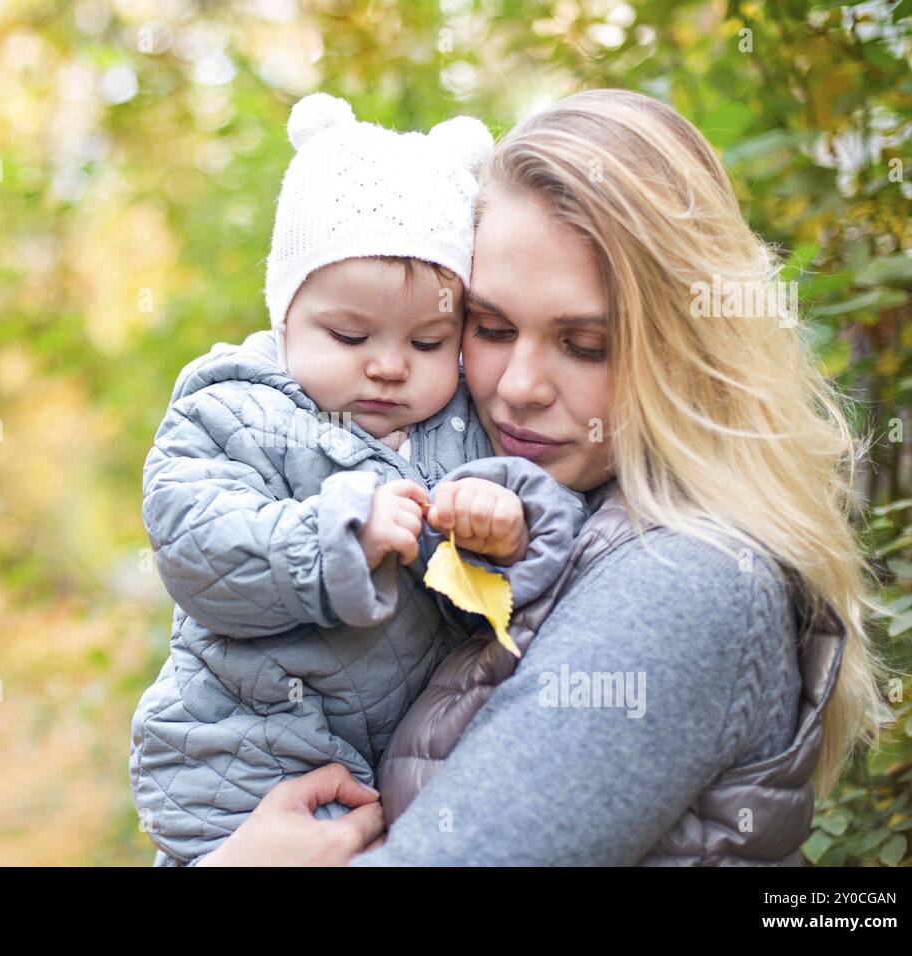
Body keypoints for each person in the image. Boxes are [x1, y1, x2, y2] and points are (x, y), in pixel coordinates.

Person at [194, 89, 892, 867]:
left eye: (586, 344)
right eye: (490, 329)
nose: (520, 385)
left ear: (690, 350)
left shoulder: (688, 581)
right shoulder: (518, 519)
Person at [128, 93, 589, 865]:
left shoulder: (462, 422)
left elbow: (534, 532)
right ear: (285, 316)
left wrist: (506, 526)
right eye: (349, 334)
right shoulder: (233, 412)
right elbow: (197, 546)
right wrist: (337, 533)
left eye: (428, 339)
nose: (387, 364)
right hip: (243, 749)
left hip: (402, 766)